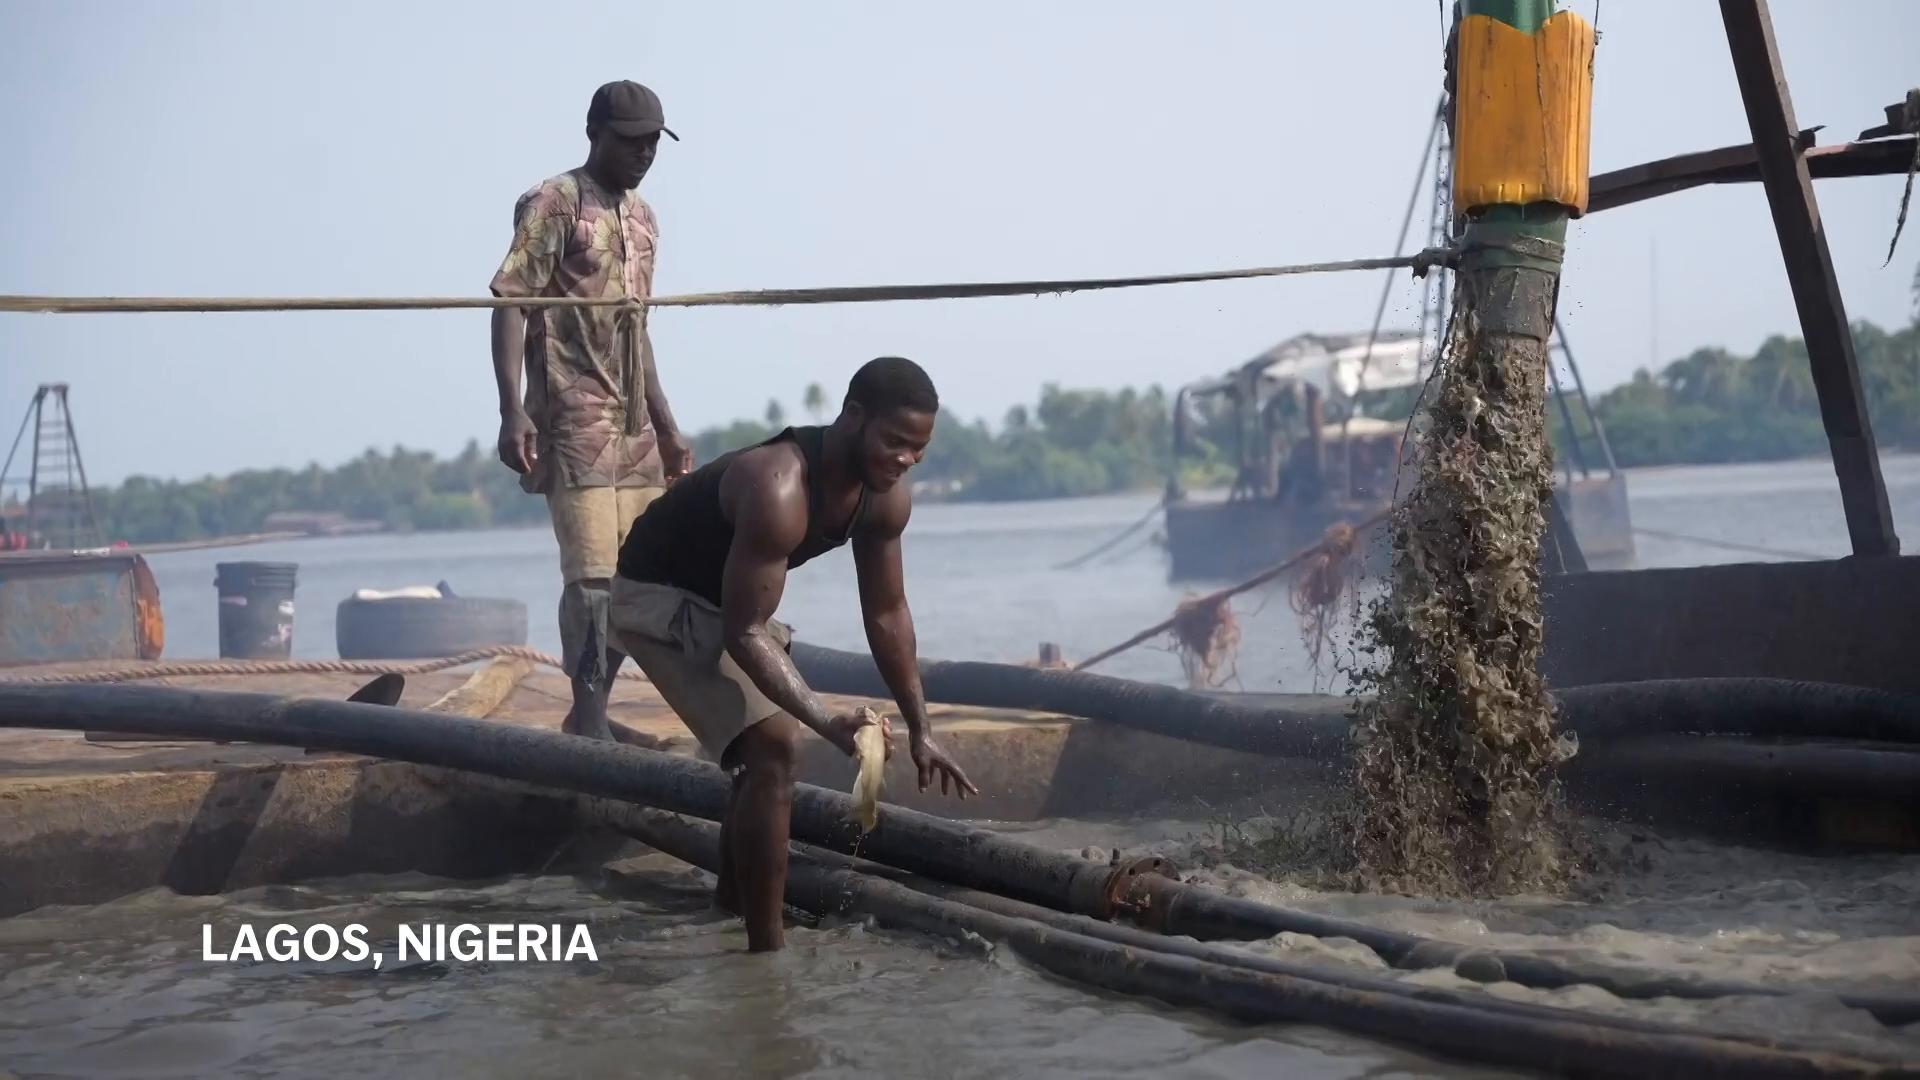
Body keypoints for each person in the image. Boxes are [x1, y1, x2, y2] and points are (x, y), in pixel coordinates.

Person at [591, 356, 977, 952]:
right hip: (657, 594)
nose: (904, 460)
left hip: (728, 599)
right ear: (852, 417)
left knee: (760, 749)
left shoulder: (885, 499)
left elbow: (887, 613)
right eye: (894, 442)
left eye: (918, 450)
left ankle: (730, 905)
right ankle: (765, 956)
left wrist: (922, 727)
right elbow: (745, 632)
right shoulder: (777, 485)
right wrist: (825, 720)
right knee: (774, 745)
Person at [489, 80, 694, 738]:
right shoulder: (553, 202)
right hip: (571, 417)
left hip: (631, 423)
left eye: (652, 144)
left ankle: (586, 714)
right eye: (630, 142)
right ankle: (593, 723)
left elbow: (640, 332)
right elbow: (511, 300)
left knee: (639, 579)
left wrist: (666, 425)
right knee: (592, 582)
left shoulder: (644, 219)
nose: (642, 155)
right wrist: (510, 408)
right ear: (595, 134)